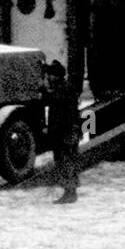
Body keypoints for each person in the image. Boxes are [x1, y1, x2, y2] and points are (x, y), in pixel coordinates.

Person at [47, 60, 80, 204]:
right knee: (64, 162)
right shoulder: (62, 88)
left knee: (67, 162)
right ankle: (69, 191)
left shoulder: (64, 89)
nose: (49, 77)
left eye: (51, 75)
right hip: (63, 132)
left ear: (57, 76)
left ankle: (70, 193)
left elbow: (63, 107)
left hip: (66, 132)